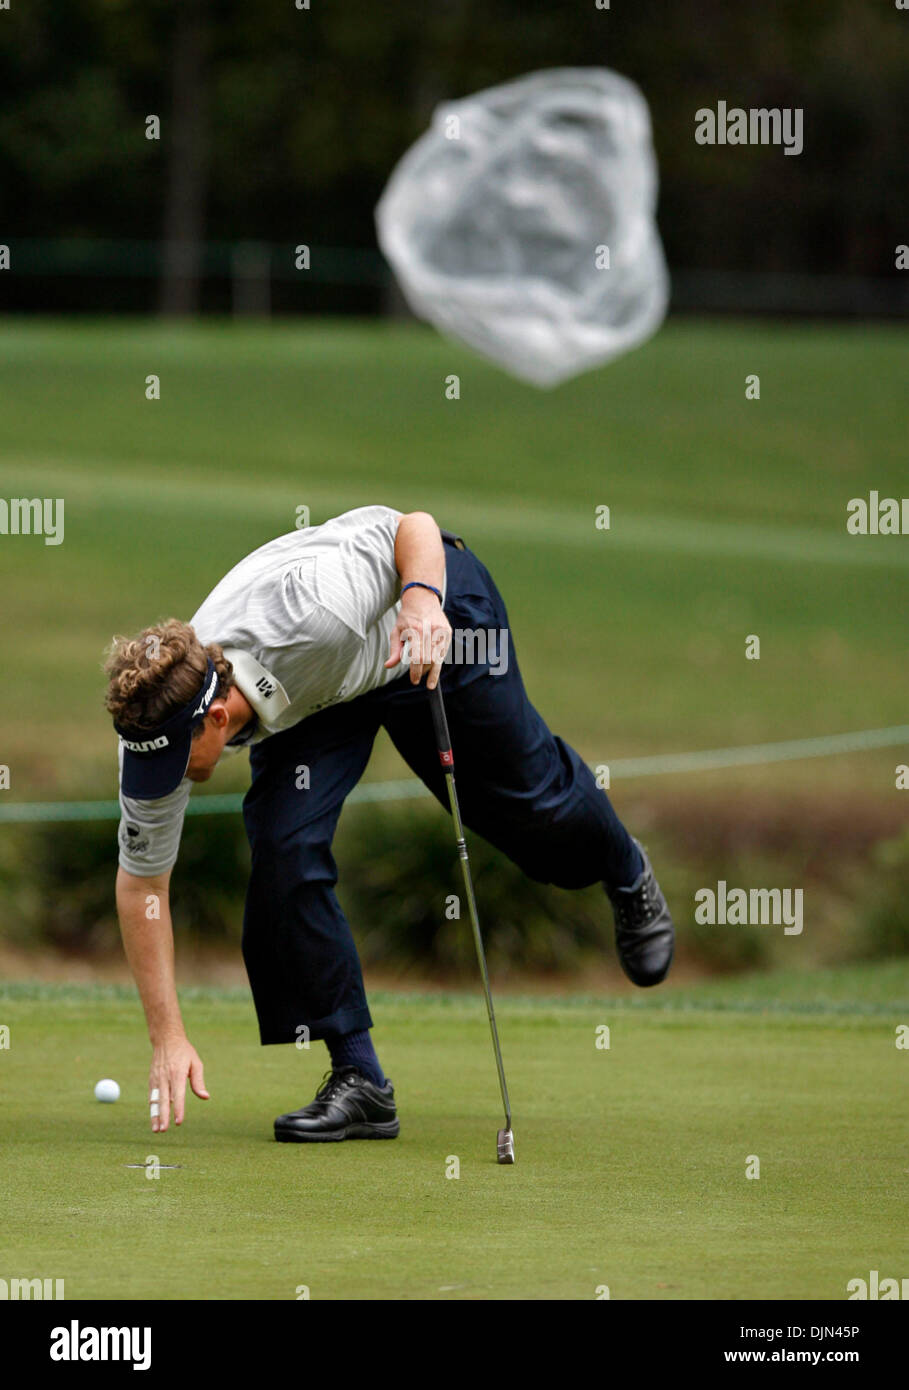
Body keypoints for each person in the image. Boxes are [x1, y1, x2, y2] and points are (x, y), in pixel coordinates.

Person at [105, 505, 674, 1141]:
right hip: (321, 691)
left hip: (426, 617)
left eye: (178, 764)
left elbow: (416, 527)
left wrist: (424, 601)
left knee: (527, 803)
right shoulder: (154, 728)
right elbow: (143, 886)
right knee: (284, 846)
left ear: (215, 721)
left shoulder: (314, 605)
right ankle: (361, 1080)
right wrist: (169, 1038)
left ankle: (625, 868)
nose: (169, 779)